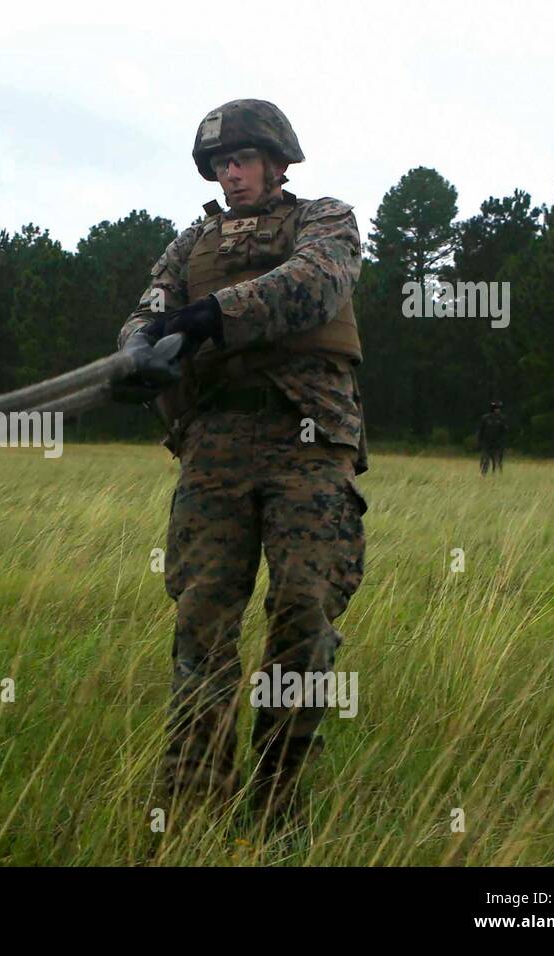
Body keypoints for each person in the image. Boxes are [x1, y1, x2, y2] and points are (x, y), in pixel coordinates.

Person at [115, 99, 369, 830]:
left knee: (303, 613)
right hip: (213, 447)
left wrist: (210, 317)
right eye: (221, 163)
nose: (231, 173)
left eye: (244, 159)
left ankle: (278, 806)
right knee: (200, 622)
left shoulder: (324, 221)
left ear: (278, 162)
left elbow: (313, 284)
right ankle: (194, 803)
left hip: (308, 443)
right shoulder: (188, 244)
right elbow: (145, 314)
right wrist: (139, 350)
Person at [478, 401, 507, 475]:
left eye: (499, 408)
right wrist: (479, 442)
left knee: (497, 462)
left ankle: (496, 475)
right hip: (486, 443)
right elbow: (481, 431)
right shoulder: (485, 418)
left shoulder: (502, 418)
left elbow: (504, 432)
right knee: (485, 460)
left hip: (497, 444)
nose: (497, 410)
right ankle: (483, 475)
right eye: (496, 408)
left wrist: (502, 444)